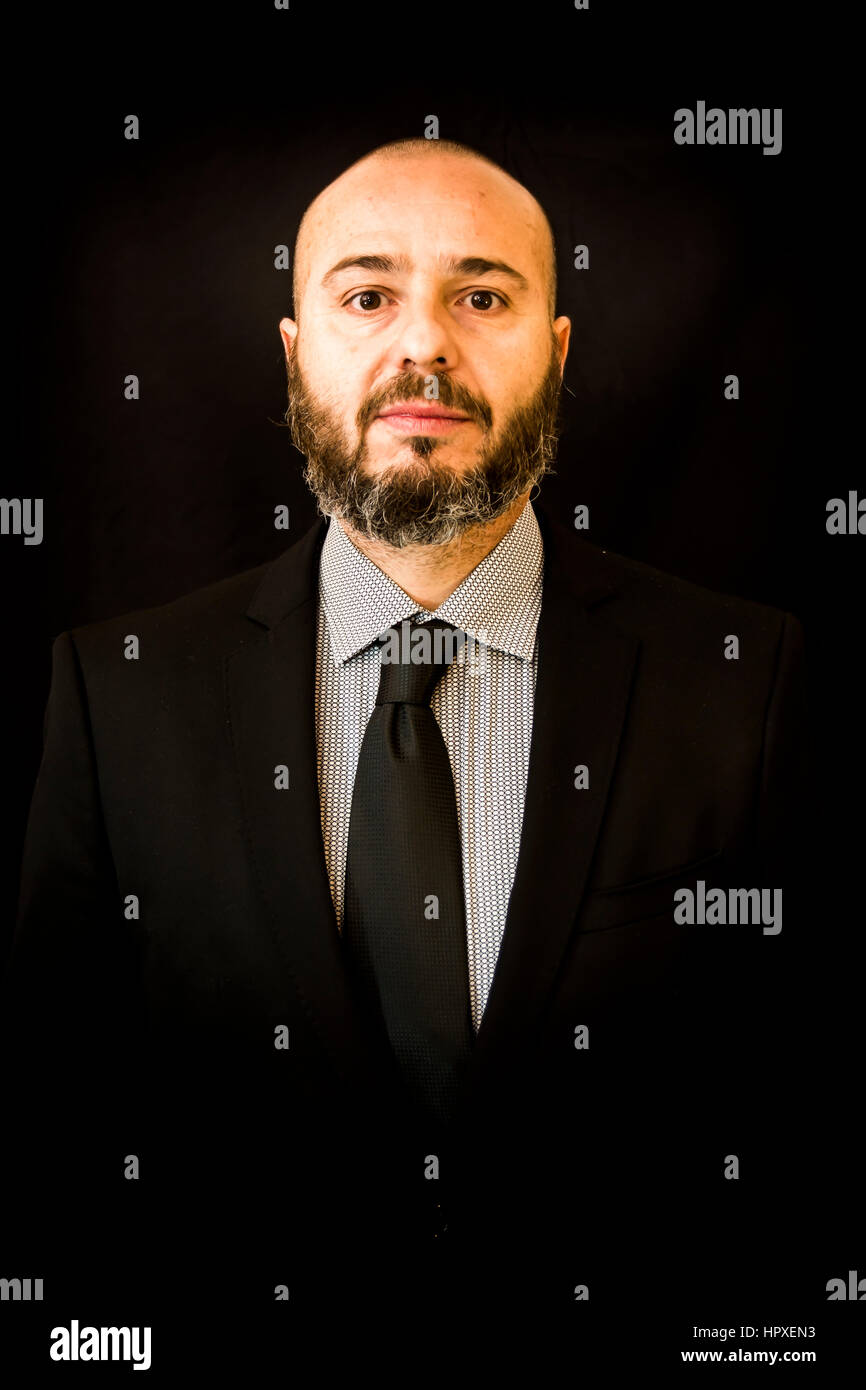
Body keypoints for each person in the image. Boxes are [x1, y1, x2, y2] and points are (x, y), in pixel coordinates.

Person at [3, 137, 806, 1320]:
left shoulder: (747, 678)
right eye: (366, 296)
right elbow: (54, 1117)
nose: (423, 342)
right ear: (294, 357)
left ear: (557, 349)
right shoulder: (114, 692)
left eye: (480, 297)